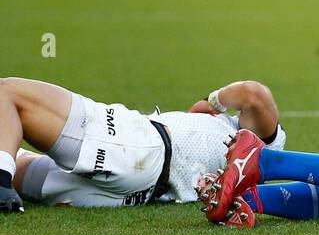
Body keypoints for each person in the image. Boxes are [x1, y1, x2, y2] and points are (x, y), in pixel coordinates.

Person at [0, 78, 285, 213]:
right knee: (21, 166)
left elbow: (254, 93)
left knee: (8, 92)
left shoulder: (264, 142)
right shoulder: (241, 165)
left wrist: (212, 102)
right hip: (137, 191)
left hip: (140, 146)